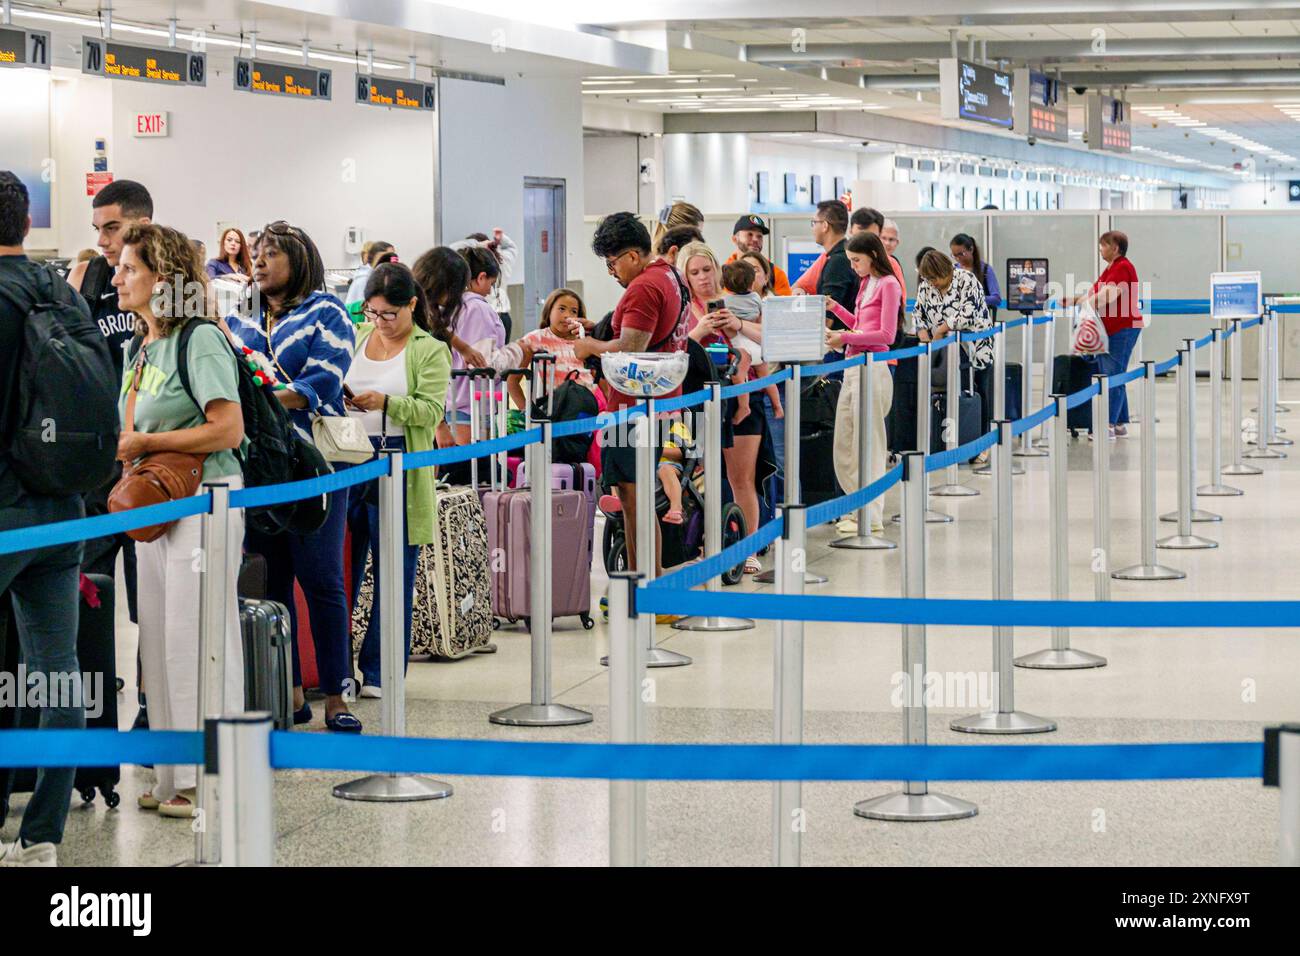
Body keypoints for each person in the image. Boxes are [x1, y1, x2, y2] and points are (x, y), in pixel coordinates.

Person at [110, 223, 246, 818]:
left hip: (206, 497)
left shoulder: (201, 340)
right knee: (159, 639)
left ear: (162, 280)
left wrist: (148, 437)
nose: (117, 277)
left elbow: (228, 429)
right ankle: (170, 774)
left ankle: (206, 776)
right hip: (158, 503)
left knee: (197, 635)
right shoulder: (141, 348)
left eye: (129, 269)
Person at [225, 220, 361, 733]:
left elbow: (324, 379)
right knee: (271, 577)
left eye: (269, 254)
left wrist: (259, 403)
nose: (257, 262)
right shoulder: (240, 319)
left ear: (299, 261)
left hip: (315, 467)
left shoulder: (326, 312)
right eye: (254, 255)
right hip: (259, 467)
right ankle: (289, 692)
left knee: (322, 579)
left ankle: (337, 696)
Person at [0, 172, 97, 866]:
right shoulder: (61, 290)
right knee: (57, 674)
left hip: (4, 505)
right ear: (26, 225)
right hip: (64, 510)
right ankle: (42, 836)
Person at [343, 263, 451, 697]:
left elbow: (431, 411)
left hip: (399, 462)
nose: (381, 322)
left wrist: (387, 403)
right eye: (372, 313)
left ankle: (381, 670)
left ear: (412, 305)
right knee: (340, 569)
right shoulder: (354, 338)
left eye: (390, 314)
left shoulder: (430, 349)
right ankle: (336, 666)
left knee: (393, 571)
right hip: (347, 458)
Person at [574, 212, 689, 575]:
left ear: (633, 256)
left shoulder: (643, 286)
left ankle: (646, 582)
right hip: (660, 401)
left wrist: (590, 344)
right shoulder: (670, 275)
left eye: (612, 263)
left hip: (634, 408)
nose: (611, 272)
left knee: (633, 498)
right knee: (636, 498)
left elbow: (631, 346)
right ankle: (646, 578)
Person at [69, 180, 150, 668]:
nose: (103, 240)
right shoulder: (86, 278)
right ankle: (95, 716)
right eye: (97, 229)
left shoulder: (173, 285)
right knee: (90, 594)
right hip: (98, 465)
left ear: (142, 224)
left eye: (113, 228)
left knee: (152, 606)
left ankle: (149, 712)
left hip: (152, 465)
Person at [680, 241, 765, 574]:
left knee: (742, 477)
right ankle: (708, 544)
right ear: (685, 277)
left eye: (707, 269)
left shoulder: (739, 302)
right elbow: (676, 350)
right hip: (700, 399)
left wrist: (738, 326)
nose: (703, 277)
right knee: (702, 477)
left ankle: (748, 548)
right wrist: (699, 331)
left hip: (742, 396)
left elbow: (768, 340)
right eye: (695, 272)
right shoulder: (684, 309)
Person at [823, 232, 899, 533]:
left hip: (873, 368)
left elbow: (886, 336)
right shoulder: (866, 284)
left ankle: (871, 514)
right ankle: (856, 506)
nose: (853, 266)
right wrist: (836, 310)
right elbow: (859, 324)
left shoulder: (889, 285)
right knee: (845, 443)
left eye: (857, 260)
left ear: (872, 254)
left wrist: (845, 338)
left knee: (869, 444)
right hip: (853, 366)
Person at [914, 250, 996, 456]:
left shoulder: (967, 280)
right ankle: (945, 442)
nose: (933, 283)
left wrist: (941, 330)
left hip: (975, 349)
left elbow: (967, 314)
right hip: (942, 353)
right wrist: (922, 331)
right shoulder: (926, 286)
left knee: (979, 394)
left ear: (947, 270)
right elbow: (918, 313)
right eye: (928, 278)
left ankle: (981, 444)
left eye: (935, 278)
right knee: (944, 395)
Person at [1072, 230, 1143, 438]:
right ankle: (1120, 422)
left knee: (1113, 375)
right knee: (1112, 373)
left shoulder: (1123, 268)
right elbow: (1094, 292)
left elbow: (1107, 296)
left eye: (1104, 245)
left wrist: (1086, 304)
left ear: (1116, 248)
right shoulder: (1110, 269)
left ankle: (1108, 425)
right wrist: (1072, 300)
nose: (1100, 249)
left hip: (1123, 329)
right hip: (1110, 329)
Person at [439, 245, 505, 448]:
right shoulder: (478, 308)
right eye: (492, 284)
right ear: (481, 277)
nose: (490, 290)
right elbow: (482, 361)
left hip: (454, 399)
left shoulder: (450, 307)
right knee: (475, 470)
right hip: (473, 404)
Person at [505, 288, 601, 411]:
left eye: (574, 311)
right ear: (549, 310)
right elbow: (512, 381)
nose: (568, 315)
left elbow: (597, 376)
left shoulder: (584, 340)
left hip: (590, 408)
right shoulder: (536, 338)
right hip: (557, 411)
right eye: (561, 309)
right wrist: (528, 411)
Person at [720, 259, 783, 422]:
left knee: (738, 377)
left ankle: (744, 407)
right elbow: (761, 318)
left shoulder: (725, 301)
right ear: (751, 282)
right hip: (757, 344)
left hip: (741, 348)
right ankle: (777, 405)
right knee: (766, 377)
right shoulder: (756, 297)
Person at [452, 229, 517, 340]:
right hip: (503, 316)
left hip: (482, 316)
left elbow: (451, 250)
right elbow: (512, 248)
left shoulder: (471, 269)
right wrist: (500, 239)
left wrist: (476, 245)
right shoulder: (503, 261)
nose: (490, 291)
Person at [724, 214, 793, 295]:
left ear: (766, 277)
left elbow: (784, 306)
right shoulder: (723, 274)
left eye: (759, 236)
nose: (755, 239)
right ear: (735, 239)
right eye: (749, 234)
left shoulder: (776, 274)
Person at [950, 233, 1001, 319]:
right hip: (955, 323)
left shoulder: (986, 270)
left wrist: (973, 299)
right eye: (954, 255)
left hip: (980, 322)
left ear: (971, 249)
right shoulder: (952, 270)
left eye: (961, 254)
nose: (958, 258)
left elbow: (996, 299)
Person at [657, 418, 696, 525]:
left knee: (665, 470)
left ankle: (676, 507)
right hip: (646, 467)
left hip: (670, 464)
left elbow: (682, 452)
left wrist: (657, 451)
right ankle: (615, 498)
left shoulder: (677, 427)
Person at [345, 241, 395, 313]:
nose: (392, 260)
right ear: (378, 257)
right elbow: (363, 310)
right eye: (389, 256)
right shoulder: (365, 279)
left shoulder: (378, 275)